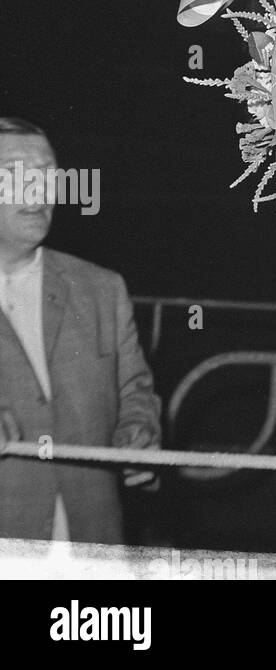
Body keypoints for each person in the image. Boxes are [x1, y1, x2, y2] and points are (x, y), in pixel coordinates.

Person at [0, 117, 161, 544]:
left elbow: (135, 390)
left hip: (93, 536)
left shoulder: (101, 288)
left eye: (48, 174)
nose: (39, 189)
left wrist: (138, 431)